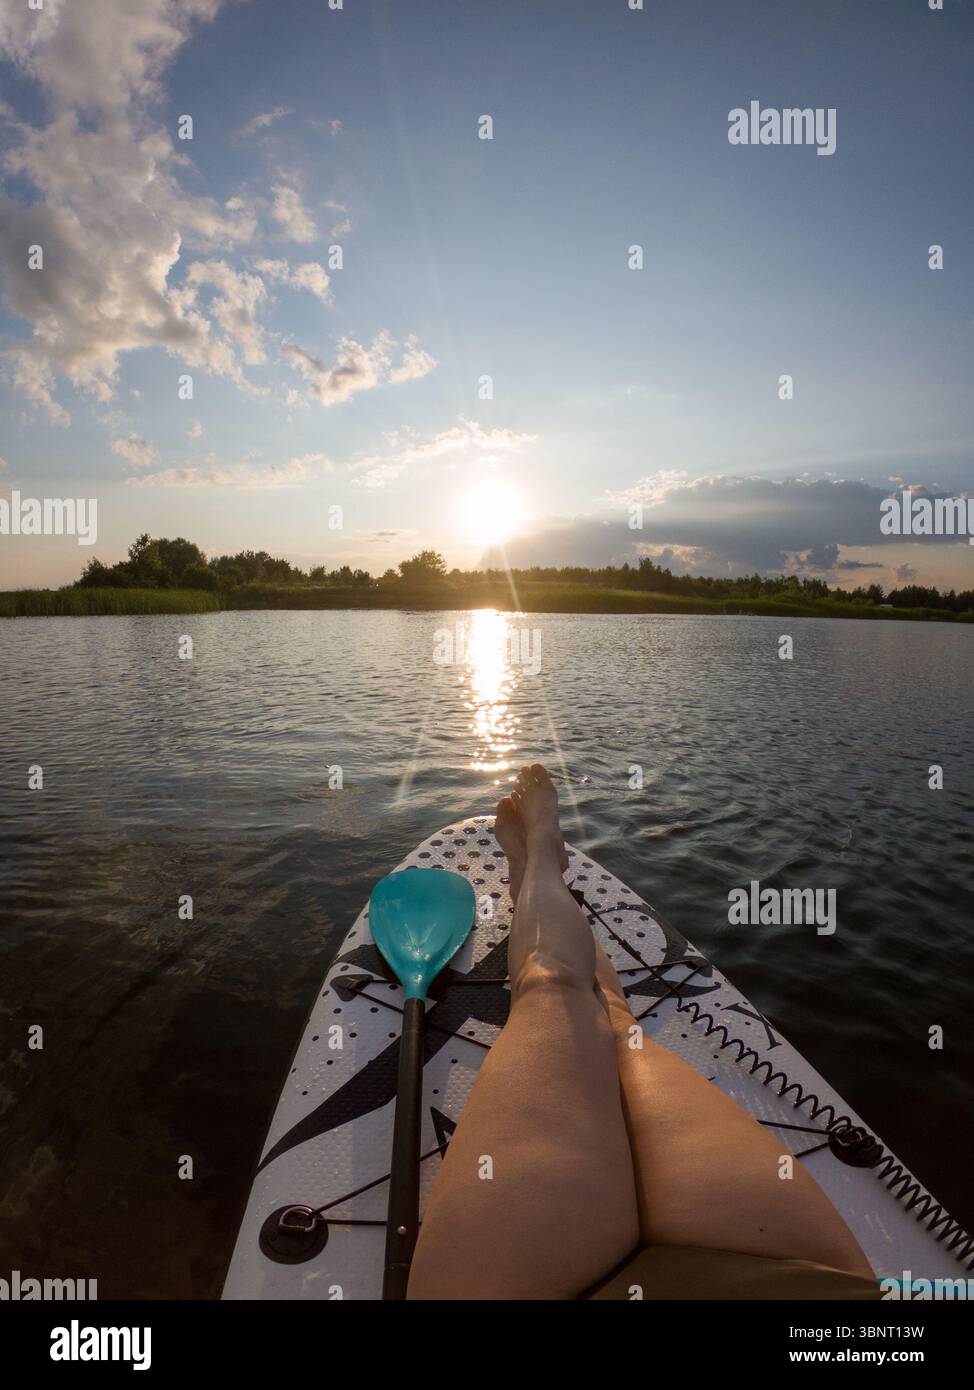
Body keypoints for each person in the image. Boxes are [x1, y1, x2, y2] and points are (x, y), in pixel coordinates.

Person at [407, 763, 882, 1300]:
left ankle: (537, 865)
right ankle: (538, 865)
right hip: (788, 1289)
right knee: (613, 1016)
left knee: (552, 988)